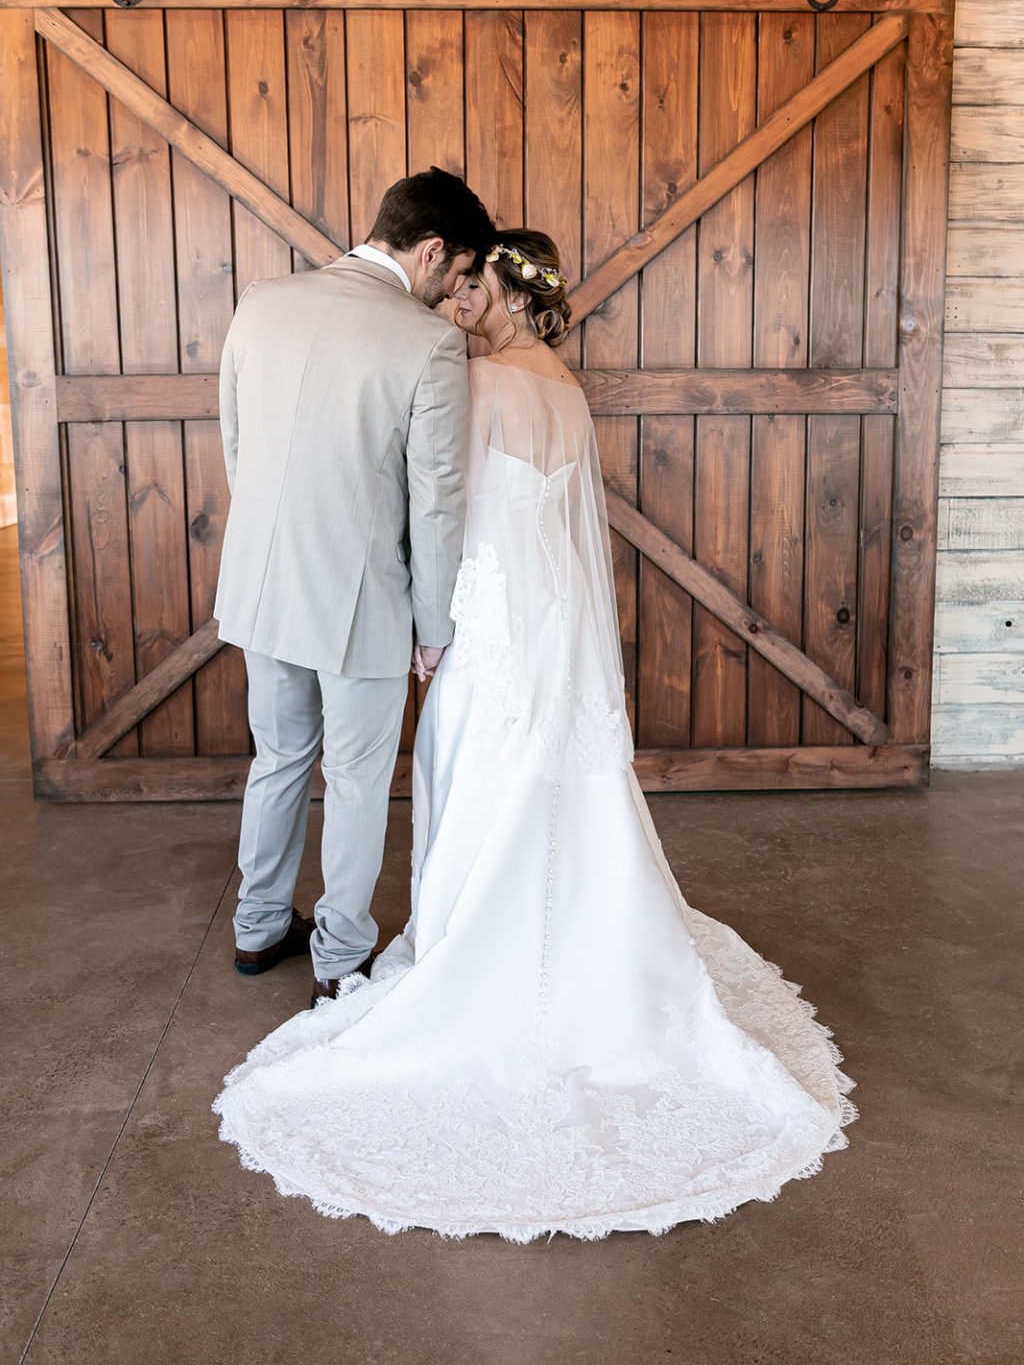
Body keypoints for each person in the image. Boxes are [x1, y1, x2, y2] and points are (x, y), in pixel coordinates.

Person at [214, 230, 855, 1240]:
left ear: (507, 295)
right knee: (549, 780)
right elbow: (555, 529)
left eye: (473, 284)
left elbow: (438, 510)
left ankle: (463, 941)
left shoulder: (484, 388)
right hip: (551, 626)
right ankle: (560, 927)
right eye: (456, 277)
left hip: (487, 624)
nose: (457, 296)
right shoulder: (560, 388)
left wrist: (417, 614)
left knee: (462, 770)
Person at [214, 167, 496, 1004]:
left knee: (277, 760)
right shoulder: (428, 344)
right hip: (360, 602)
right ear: (432, 249)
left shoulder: (260, 302)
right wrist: (436, 625)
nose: (455, 293)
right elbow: (437, 503)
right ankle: (340, 959)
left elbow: (238, 448)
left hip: (262, 586)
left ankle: (258, 930)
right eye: (457, 271)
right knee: (359, 777)